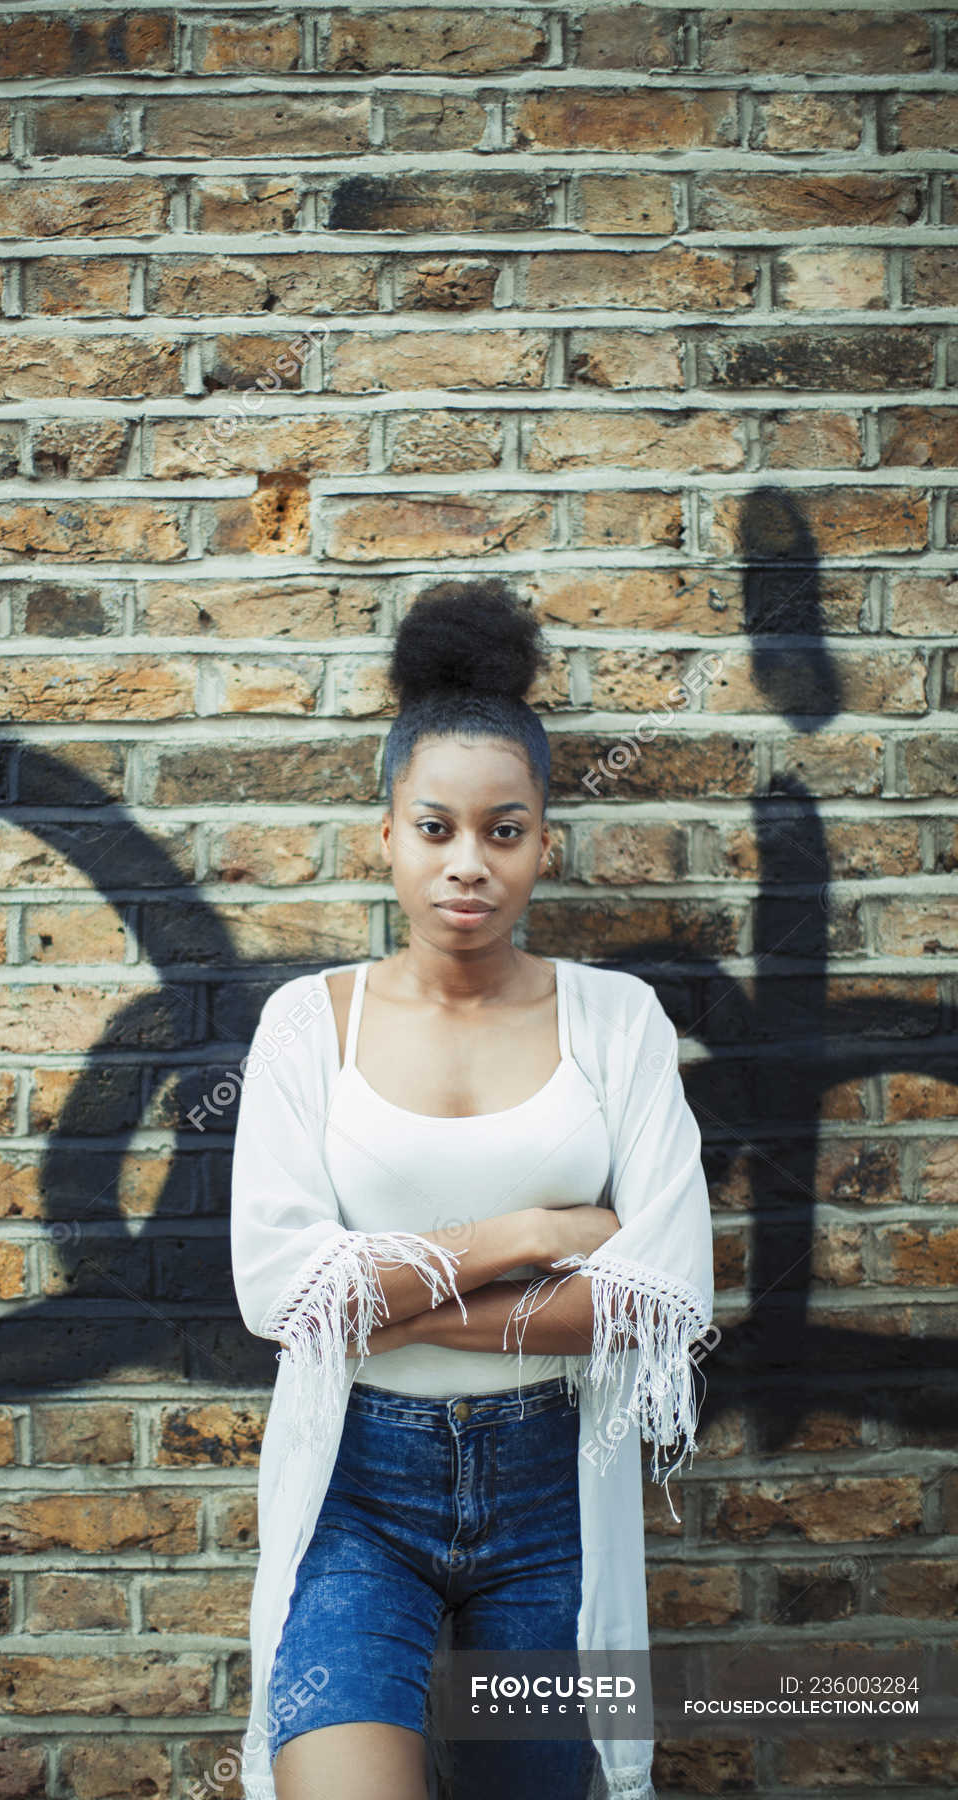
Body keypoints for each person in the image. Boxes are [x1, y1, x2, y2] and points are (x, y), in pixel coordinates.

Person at [230, 583, 716, 1800]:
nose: (468, 864)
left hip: (550, 1491)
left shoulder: (618, 1022)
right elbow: (274, 1289)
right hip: (359, 1494)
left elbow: (661, 1299)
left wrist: (382, 1296)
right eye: (436, 828)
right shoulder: (310, 1024)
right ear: (384, 832)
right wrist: (532, 1234)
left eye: (505, 831)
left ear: (546, 842)